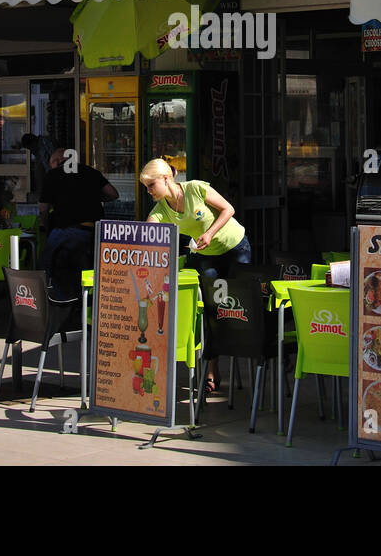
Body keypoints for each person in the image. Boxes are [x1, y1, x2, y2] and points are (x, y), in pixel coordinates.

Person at [139, 158, 250, 394]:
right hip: (207, 255)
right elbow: (149, 232)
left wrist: (209, 233)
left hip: (235, 246)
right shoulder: (161, 210)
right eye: (146, 187)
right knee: (212, 309)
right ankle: (212, 368)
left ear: (166, 178)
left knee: (242, 304)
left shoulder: (195, 188)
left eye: (151, 185)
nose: (148, 191)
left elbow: (228, 209)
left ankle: (268, 353)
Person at [39, 148, 118, 299]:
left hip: (66, 230)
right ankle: (89, 300)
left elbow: (43, 209)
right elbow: (113, 194)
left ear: (56, 161)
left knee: (47, 262)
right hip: (94, 231)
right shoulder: (90, 172)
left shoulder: (53, 175)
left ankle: (54, 299)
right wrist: (93, 199)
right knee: (89, 267)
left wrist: (46, 226)